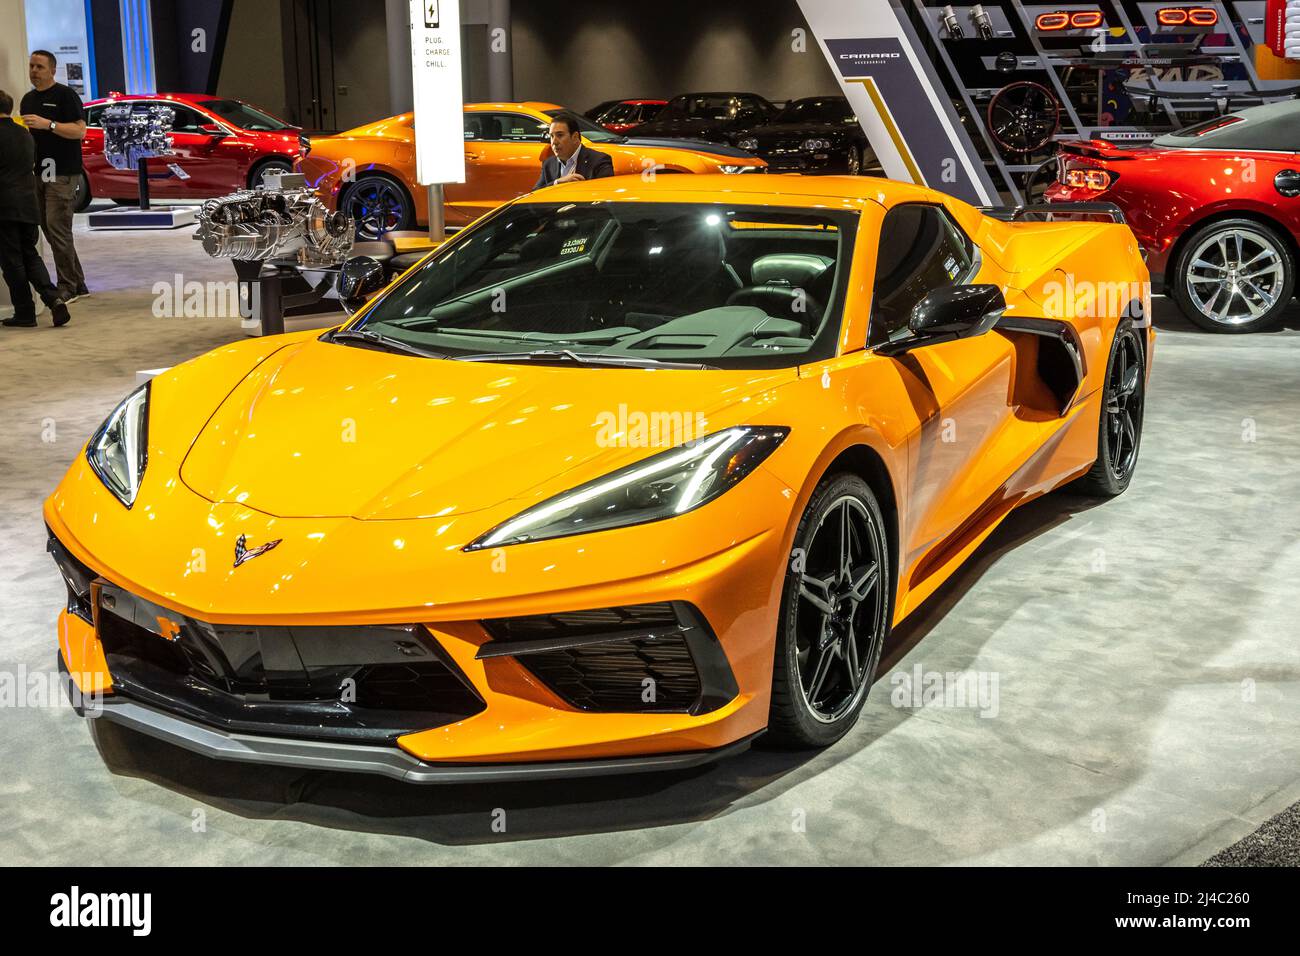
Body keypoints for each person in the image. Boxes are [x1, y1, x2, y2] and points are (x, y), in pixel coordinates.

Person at [20, 50, 88, 303]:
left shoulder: (66, 95)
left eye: (39, 67)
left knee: (58, 229)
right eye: (31, 66)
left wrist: (48, 124)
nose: (34, 71)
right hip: (39, 172)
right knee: (50, 230)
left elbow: (79, 131)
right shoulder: (27, 100)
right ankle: (78, 283)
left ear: (52, 70)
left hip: (63, 172)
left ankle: (67, 286)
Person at [0, 89, 70, 327]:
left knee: (12, 261)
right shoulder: (25, 134)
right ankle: (53, 299)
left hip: (4, 206)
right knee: (31, 255)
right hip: (28, 204)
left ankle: (24, 312)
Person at [533, 112, 614, 189]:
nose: (554, 142)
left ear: (575, 137)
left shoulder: (599, 161)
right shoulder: (549, 164)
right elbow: (534, 194)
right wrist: (557, 183)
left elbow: (604, 195)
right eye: (551, 136)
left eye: (560, 135)